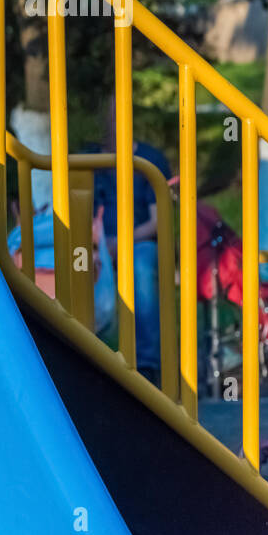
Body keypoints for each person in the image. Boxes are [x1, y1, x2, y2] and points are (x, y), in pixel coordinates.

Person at [86, 97, 172, 384]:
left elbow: (157, 222)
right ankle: (86, 358)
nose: (114, 125)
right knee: (69, 261)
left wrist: (119, 243)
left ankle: (147, 366)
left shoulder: (150, 160)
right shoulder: (86, 159)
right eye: (109, 118)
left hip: (137, 241)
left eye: (120, 117)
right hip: (94, 241)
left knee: (141, 264)